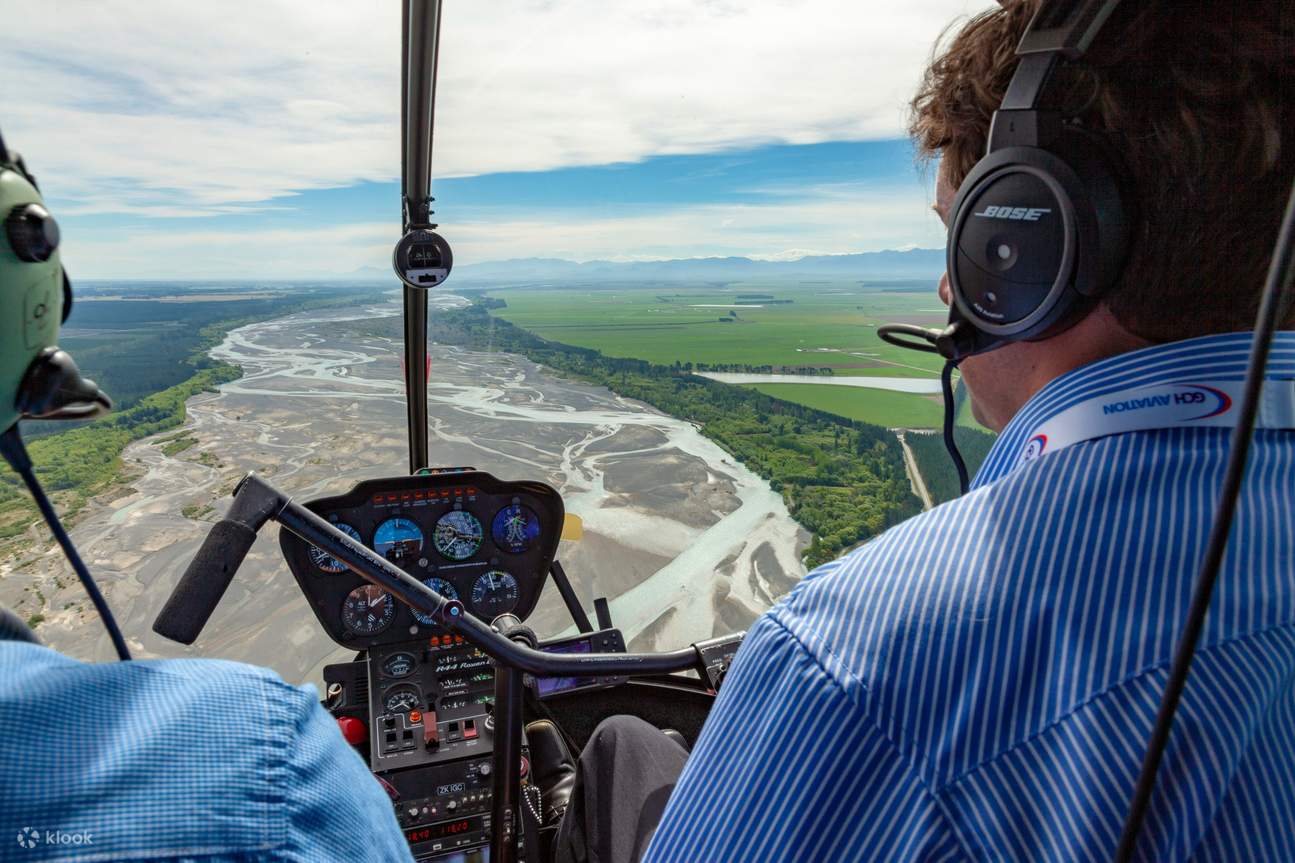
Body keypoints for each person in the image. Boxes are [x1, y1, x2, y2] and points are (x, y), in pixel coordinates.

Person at [555, 1, 1295, 860]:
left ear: (1040, 245)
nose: (950, 290)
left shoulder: (853, 659)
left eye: (961, 237)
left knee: (620, 746)